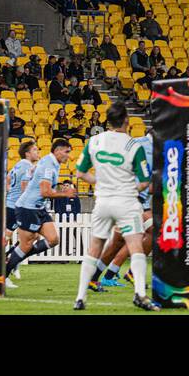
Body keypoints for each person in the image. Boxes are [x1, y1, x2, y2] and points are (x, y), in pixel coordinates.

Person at [73, 102, 158, 311]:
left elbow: (80, 173)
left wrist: (99, 182)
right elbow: (146, 181)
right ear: (127, 121)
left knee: (94, 248)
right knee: (136, 246)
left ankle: (80, 297)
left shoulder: (93, 141)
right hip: (126, 201)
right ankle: (139, 294)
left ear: (107, 120)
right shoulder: (133, 145)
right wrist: (131, 187)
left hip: (102, 202)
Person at [7, 138, 77, 281]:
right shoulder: (48, 165)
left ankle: (15, 257)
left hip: (39, 207)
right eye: (66, 152)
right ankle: (4, 274)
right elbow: (45, 192)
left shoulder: (51, 163)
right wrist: (65, 194)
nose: (68, 156)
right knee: (26, 244)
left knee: (53, 239)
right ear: (57, 151)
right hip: (27, 207)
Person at [3, 139, 40, 286]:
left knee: (33, 235)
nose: (37, 152)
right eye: (35, 150)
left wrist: (10, 192)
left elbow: (7, 178)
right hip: (16, 207)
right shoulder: (28, 166)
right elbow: (25, 185)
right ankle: (2, 270)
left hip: (13, 204)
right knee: (6, 238)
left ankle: (11, 260)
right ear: (27, 153)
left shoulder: (18, 165)